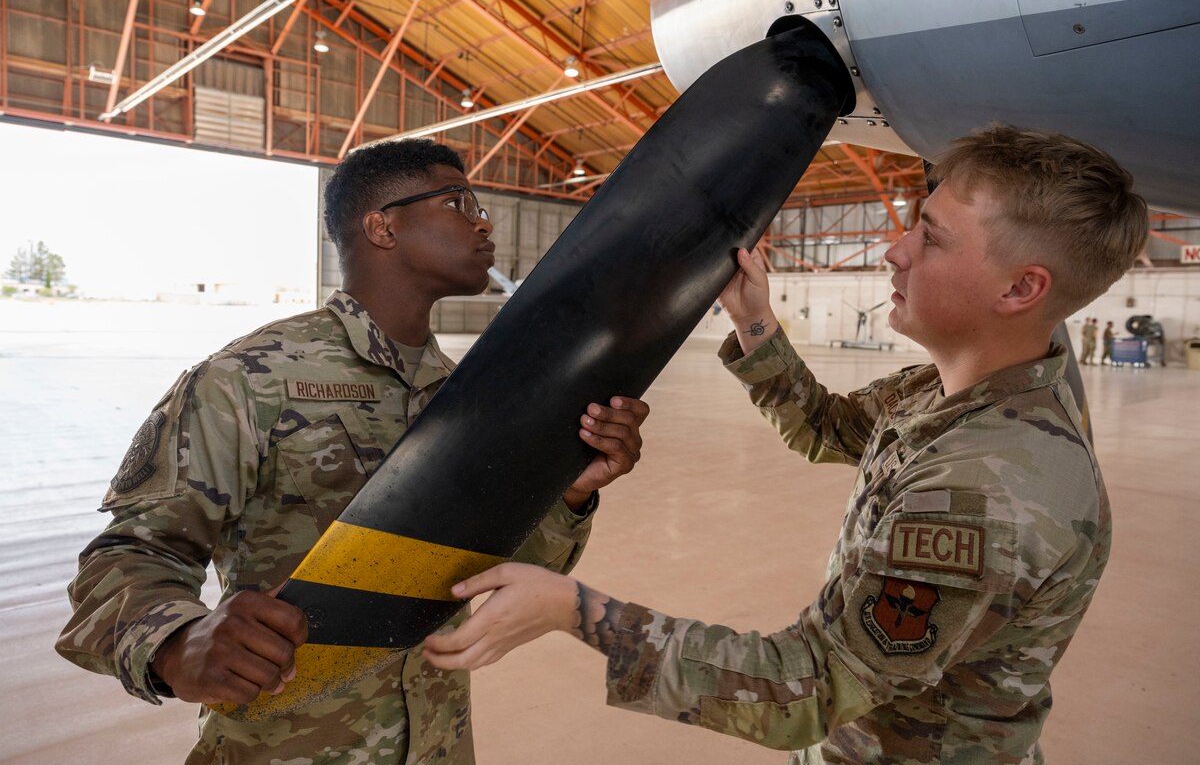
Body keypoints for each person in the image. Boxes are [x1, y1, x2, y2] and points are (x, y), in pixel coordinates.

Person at [422, 125, 1148, 763]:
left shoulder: (989, 493)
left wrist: (576, 610)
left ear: (1022, 288)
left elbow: (807, 686)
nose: (895, 251)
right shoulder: (958, 384)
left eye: (931, 237)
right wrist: (755, 322)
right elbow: (826, 428)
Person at [55, 138, 650, 764]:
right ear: (381, 226)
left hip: (438, 746)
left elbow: (495, 570)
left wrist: (571, 490)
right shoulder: (252, 378)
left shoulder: (464, 396)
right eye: (456, 201)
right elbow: (128, 555)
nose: (483, 219)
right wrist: (176, 641)